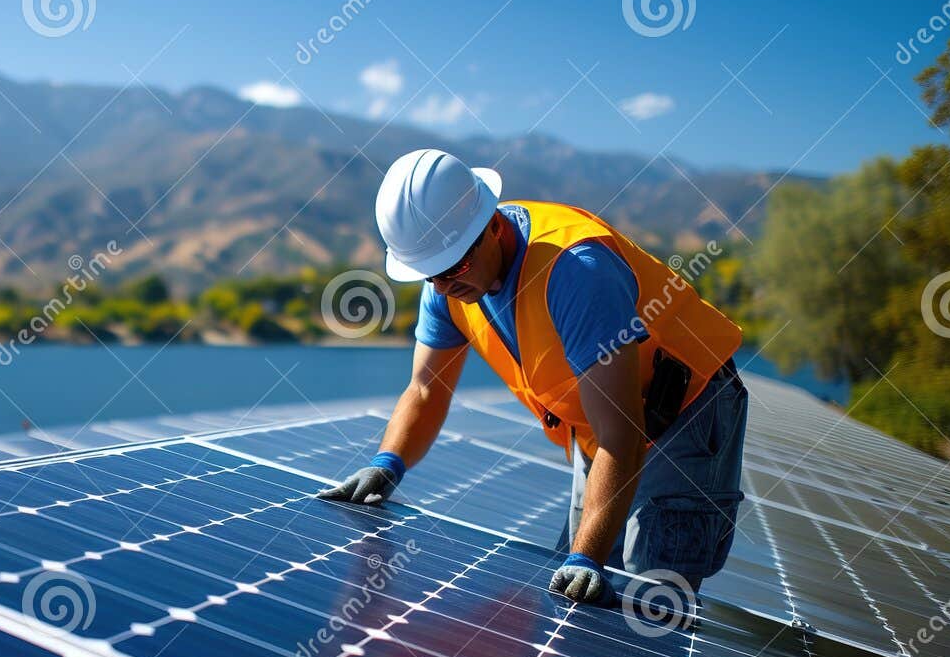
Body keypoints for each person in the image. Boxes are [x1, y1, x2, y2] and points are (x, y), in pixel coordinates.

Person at [320, 149, 748, 605]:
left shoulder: (577, 271)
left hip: (682, 411)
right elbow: (427, 387)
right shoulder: (448, 289)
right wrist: (388, 463)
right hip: (600, 420)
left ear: (493, 227)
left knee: (647, 594)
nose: (443, 287)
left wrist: (588, 558)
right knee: (577, 594)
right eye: (429, 276)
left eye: (454, 269)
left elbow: (621, 434)